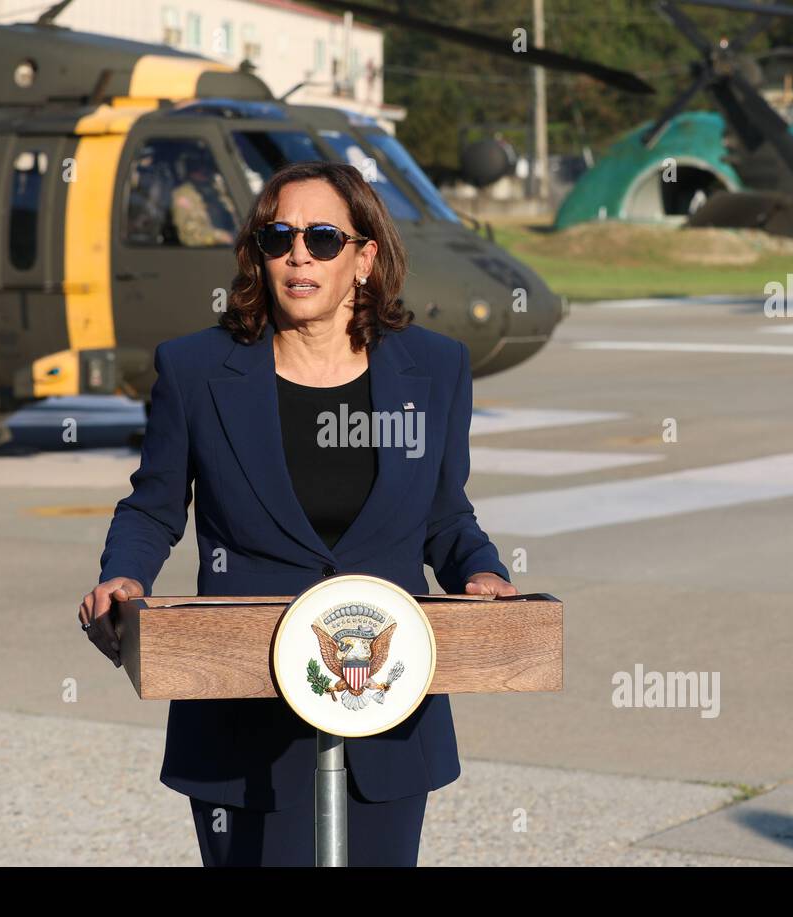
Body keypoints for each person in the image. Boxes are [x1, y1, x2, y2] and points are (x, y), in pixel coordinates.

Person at [78, 160, 517, 866]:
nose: (298, 254)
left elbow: (444, 516)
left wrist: (483, 572)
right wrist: (124, 577)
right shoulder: (195, 370)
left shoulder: (434, 369)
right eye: (277, 237)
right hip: (238, 713)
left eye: (322, 237)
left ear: (365, 257)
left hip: (385, 705)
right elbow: (153, 508)